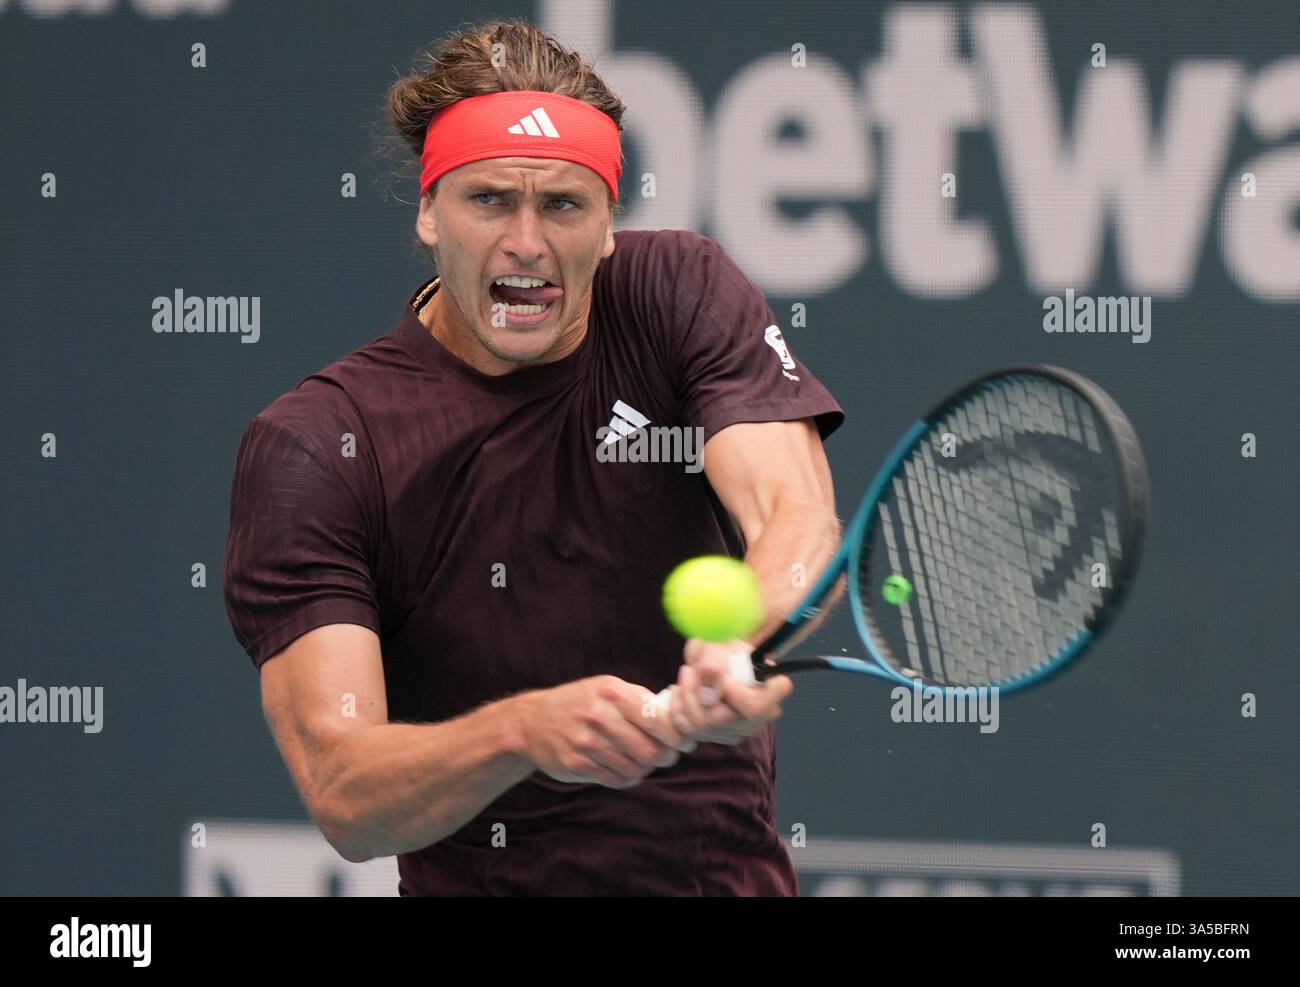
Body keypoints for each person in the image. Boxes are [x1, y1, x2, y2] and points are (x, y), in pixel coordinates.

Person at [222, 18, 844, 896]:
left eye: (563, 203)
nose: (526, 241)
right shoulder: (322, 445)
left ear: (608, 226)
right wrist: (521, 732)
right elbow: (347, 792)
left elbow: (796, 515)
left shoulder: (679, 295)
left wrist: (734, 637)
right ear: (429, 214)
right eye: (489, 200)